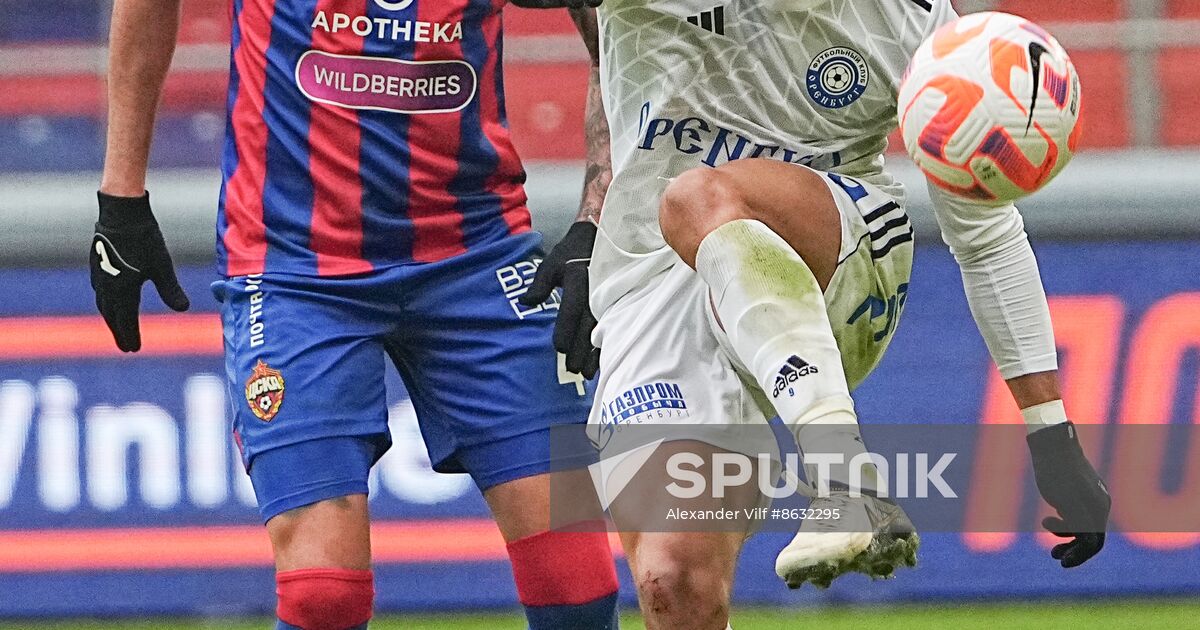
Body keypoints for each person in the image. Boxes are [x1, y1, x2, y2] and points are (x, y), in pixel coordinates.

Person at [526, 0, 1112, 627]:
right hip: (653, 270)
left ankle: (844, 479)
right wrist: (592, 218)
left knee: (701, 194)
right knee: (674, 579)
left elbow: (986, 238)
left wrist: (1051, 433)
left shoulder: (913, 21)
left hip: (838, 254)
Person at [88, 0, 617, 628]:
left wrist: (598, 216)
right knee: (323, 596)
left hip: (478, 254)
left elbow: (616, 29)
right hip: (296, 267)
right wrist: (122, 197)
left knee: (578, 584)